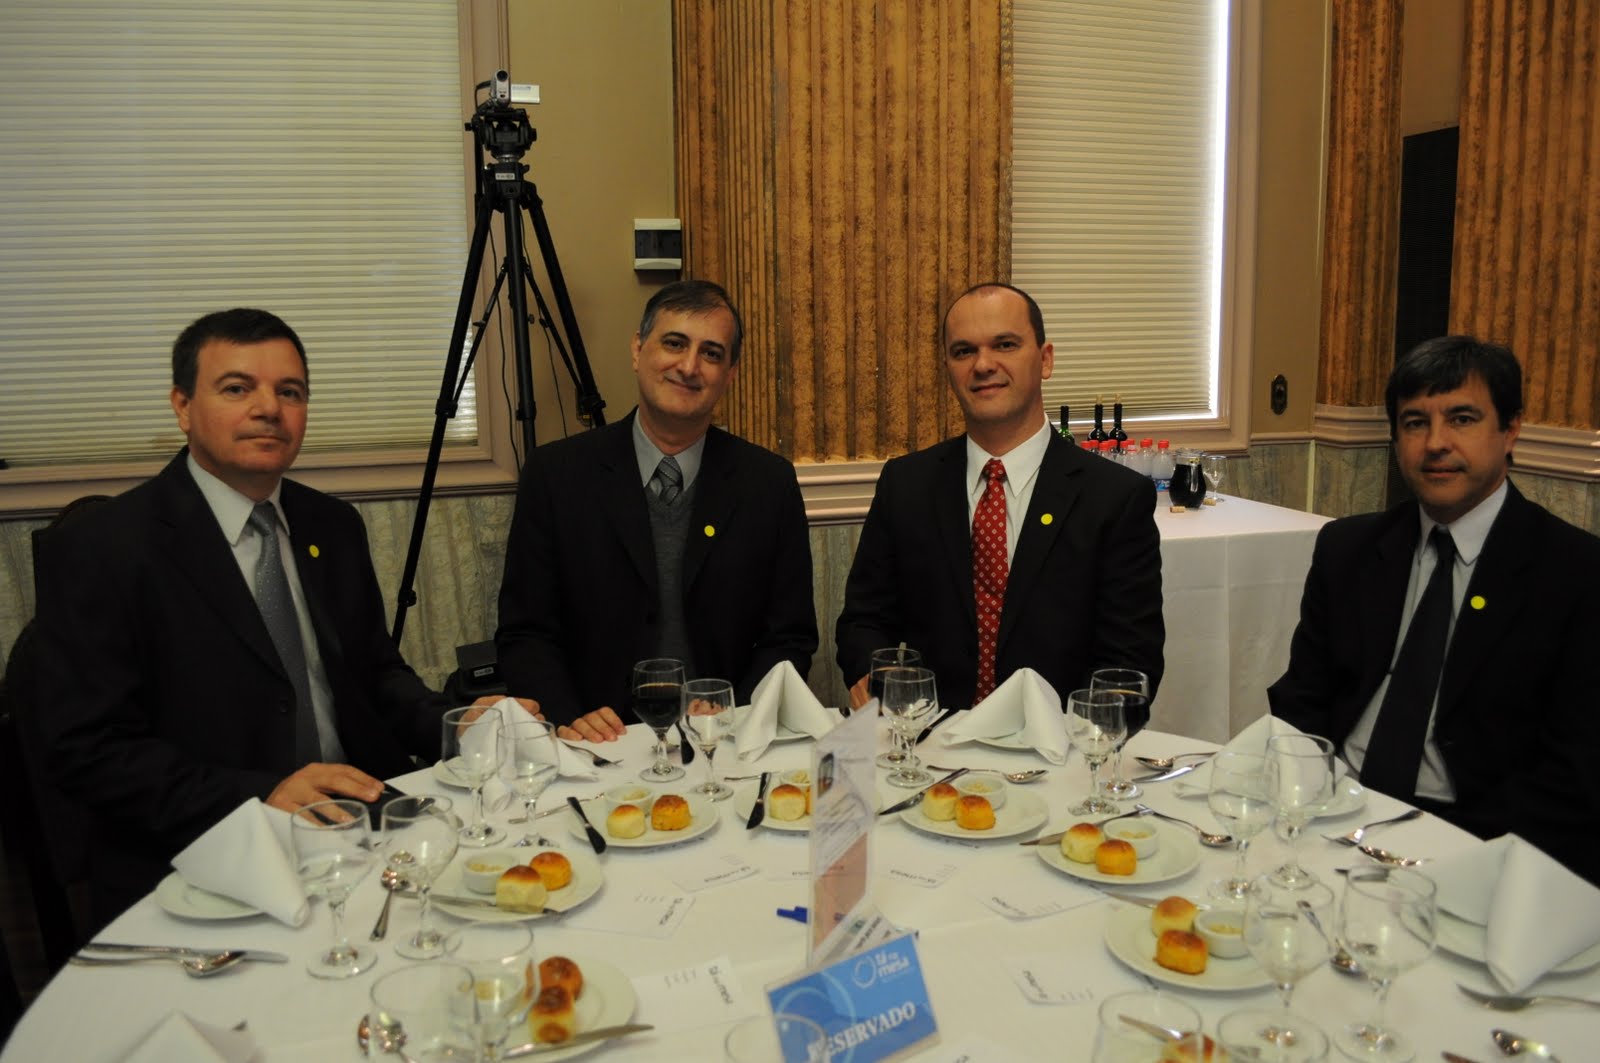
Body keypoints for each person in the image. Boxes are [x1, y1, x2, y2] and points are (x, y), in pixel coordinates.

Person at [32, 308, 537, 920]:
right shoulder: (105, 548)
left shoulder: (332, 525)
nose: (269, 408)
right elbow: (89, 750)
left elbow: (375, 677)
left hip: (360, 831)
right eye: (237, 388)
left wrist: (457, 724)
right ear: (183, 405)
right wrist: (260, 792)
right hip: (205, 857)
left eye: (289, 392)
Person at [1269, 336, 1600, 884]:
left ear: (1510, 428)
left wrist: (1446, 855)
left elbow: (1575, 769)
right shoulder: (1348, 548)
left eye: (1463, 418)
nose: (1435, 444)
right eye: (1415, 422)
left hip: (1477, 841)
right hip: (1331, 816)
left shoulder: (1575, 572)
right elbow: (1303, 698)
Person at [496, 279, 818, 741]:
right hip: (595, 743)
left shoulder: (768, 482)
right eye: (674, 343)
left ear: (729, 374)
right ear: (637, 350)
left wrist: (737, 713)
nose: (689, 366)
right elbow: (526, 633)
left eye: (711, 353)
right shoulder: (556, 475)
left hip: (723, 743)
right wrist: (570, 717)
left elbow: (789, 637)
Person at [835, 282, 1164, 721]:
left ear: (1045, 360)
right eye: (963, 351)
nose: (983, 365)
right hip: (928, 748)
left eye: (1005, 345)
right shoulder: (906, 484)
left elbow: (1128, 665)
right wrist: (879, 676)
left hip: (1057, 757)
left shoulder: (1115, 498)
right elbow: (863, 620)